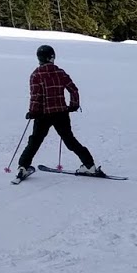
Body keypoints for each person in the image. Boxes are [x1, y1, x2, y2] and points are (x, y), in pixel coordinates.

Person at [15, 44, 105, 181]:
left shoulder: (36, 75)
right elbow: (73, 89)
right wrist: (73, 105)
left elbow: (35, 96)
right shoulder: (60, 72)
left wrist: (32, 112)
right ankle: (89, 165)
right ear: (52, 57)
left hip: (43, 115)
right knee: (70, 140)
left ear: (39, 58)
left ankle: (23, 167)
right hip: (61, 114)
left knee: (35, 141)